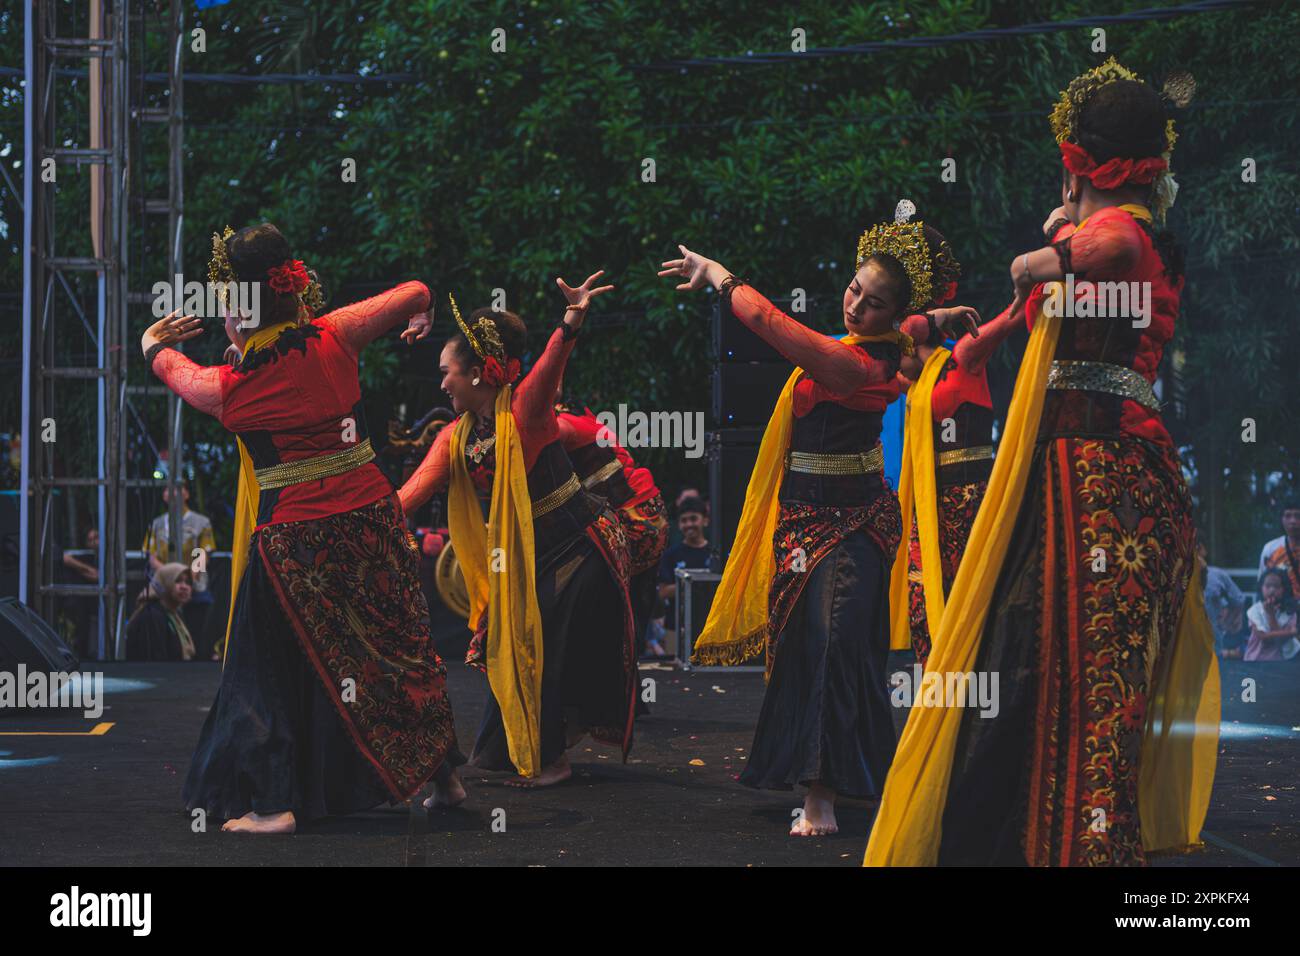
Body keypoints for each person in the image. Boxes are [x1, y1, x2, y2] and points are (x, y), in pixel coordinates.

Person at [866, 60, 1218, 867]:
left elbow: (1067, 258)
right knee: (1023, 666)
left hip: (1106, 488)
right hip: (1068, 482)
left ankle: (1081, 851)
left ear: (1076, 161)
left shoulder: (1121, 232)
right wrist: (962, 335)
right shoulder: (1108, 235)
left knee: (1086, 684)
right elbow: (1018, 314)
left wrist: (1052, 237)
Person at [141, 222, 463, 834]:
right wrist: (418, 316)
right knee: (396, 655)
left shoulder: (233, 387)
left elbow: (180, 375)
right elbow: (415, 290)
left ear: (239, 307)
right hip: (374, 523)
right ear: (295, 284)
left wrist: (152, 343)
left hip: (298, 542)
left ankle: (272, 806)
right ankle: (445, 777)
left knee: (263, 670)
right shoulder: (338, 330)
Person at [658, 203, 965, 837]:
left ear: (889, 316)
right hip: (802, 521)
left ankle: (822, 796)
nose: (856, 305)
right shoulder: (890, 341)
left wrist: (716, 272)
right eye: (855, 288)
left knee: (834, 643)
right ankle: (861, 777)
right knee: (810, 648)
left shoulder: (854, 362)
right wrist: (935, 317)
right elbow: (910, 325)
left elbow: (773, 326)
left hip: (854, 525)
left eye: (873, 303)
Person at [398, 274, 637, 790]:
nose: (441, 384)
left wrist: (572, 318)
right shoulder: (455, 438)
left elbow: (553, 365)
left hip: (582, 542)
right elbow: (409, 496)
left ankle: (551, 759)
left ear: (479, 375)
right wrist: (351, 515)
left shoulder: (525, 411)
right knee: (509, 638)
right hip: (529, 555)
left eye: (447, 373)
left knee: (540, 636)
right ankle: (515, 749)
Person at [892, 306, 991, 668]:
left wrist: (934, 321)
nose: (895, 365)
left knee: (971, 599)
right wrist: (943, 314)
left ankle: (970, 703)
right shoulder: (916, 381)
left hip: (970, 503)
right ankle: (936, 690)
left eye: (898, 354)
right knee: (921, 597)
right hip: (929, 505)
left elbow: (1013, 317)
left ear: (910, 347)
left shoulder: (963, 357)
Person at [555, 394, 669, 658]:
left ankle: (617, 678)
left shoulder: (570, 425)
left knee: (614, 614)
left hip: (633, 521)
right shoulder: (589, 421)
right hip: (650, 514)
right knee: (630, 611)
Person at [142, 482, 217, 660]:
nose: (172, 492)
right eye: (167, 489)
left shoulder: (201, 522)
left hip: (194, 586)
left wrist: (187, 578)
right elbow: (151, 556)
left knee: (196, 633)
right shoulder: (157, 523)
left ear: (186, 494)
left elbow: (203, 553)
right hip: (163, 588)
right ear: (164, 495)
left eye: (178, 488)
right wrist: (170, 579)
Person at [653, 496, 713, 659]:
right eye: (684, 520)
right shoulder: (670, 554)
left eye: (693, 519)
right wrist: (695, 582)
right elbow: (663, 592)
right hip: (675, 627)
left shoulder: (716, 553)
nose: (689, 524)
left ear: (705, 521)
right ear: (679, 524)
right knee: (674, 673)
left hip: (710, 626)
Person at [125, 562, 196, 661]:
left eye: (188, 582)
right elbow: (156, 661)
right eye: (178, 581)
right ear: (164, 583)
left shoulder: (174, 614)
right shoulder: (152, 615)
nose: (184, 587)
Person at [1199, 540, 1246, 658]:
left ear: (1203, 549)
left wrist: (1226, 624)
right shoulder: (1175, 576)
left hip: (1213, 641)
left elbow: (1238, 600)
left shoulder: (1217, 575)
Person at [1245, 568, 1299, 662]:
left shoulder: (1290, 612)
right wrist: (1290, 633)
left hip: (1280, 662)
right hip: (1255, 660)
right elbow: (1263, 637)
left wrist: (1271, 615)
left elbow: (1279, 641)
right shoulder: (1255, 610)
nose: (1272, 590)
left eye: (1277, 586)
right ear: (1261, 587)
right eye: (1268, 586)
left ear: (1284, 589)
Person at [1258, 500, 1300, 599]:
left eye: (1297, 516)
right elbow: (1262, 583)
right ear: (1281, 519)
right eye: (1288, 516)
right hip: (1280, 611)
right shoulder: (1270, 549)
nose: (1293, 521)